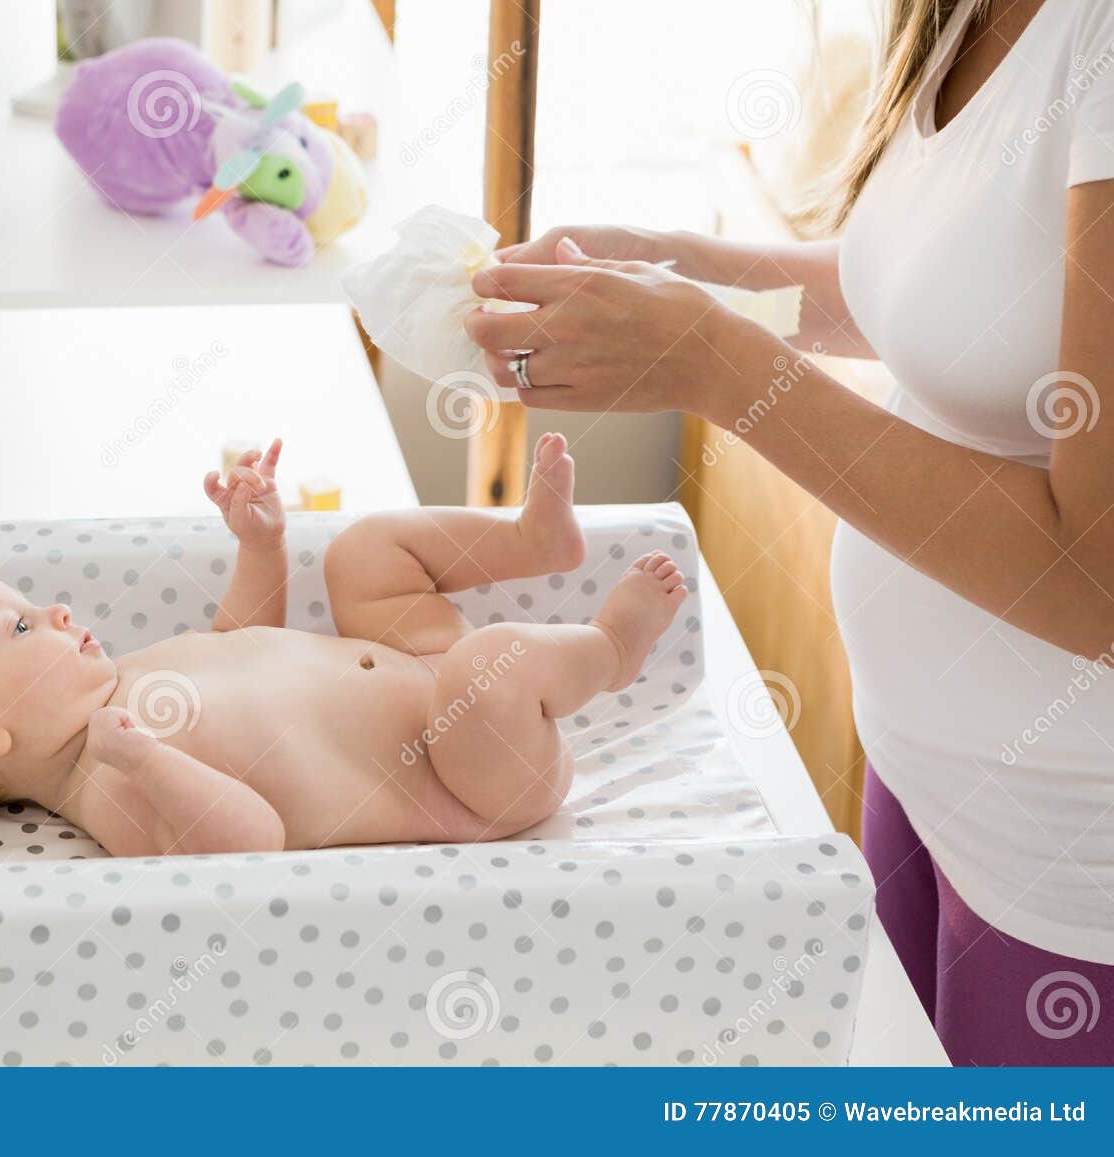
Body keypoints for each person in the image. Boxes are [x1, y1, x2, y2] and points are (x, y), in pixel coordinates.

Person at [464, 0, 1114, 1065]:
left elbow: (1095, 580)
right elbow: (967, 312)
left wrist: (715, 361)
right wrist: (688, 275)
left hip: (1067, 874)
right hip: (923, 779)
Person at [0, 434, 687, 855]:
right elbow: (253, 843)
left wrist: (261, 545)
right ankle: (612, 649)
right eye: (18, 626)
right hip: (472, 768)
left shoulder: (126, 679)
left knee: (365, 551)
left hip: (415, 664)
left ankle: (536, 544)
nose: (54, 609)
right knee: (487, 666)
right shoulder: (109, 786)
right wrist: (149, 760)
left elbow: (246, 641)